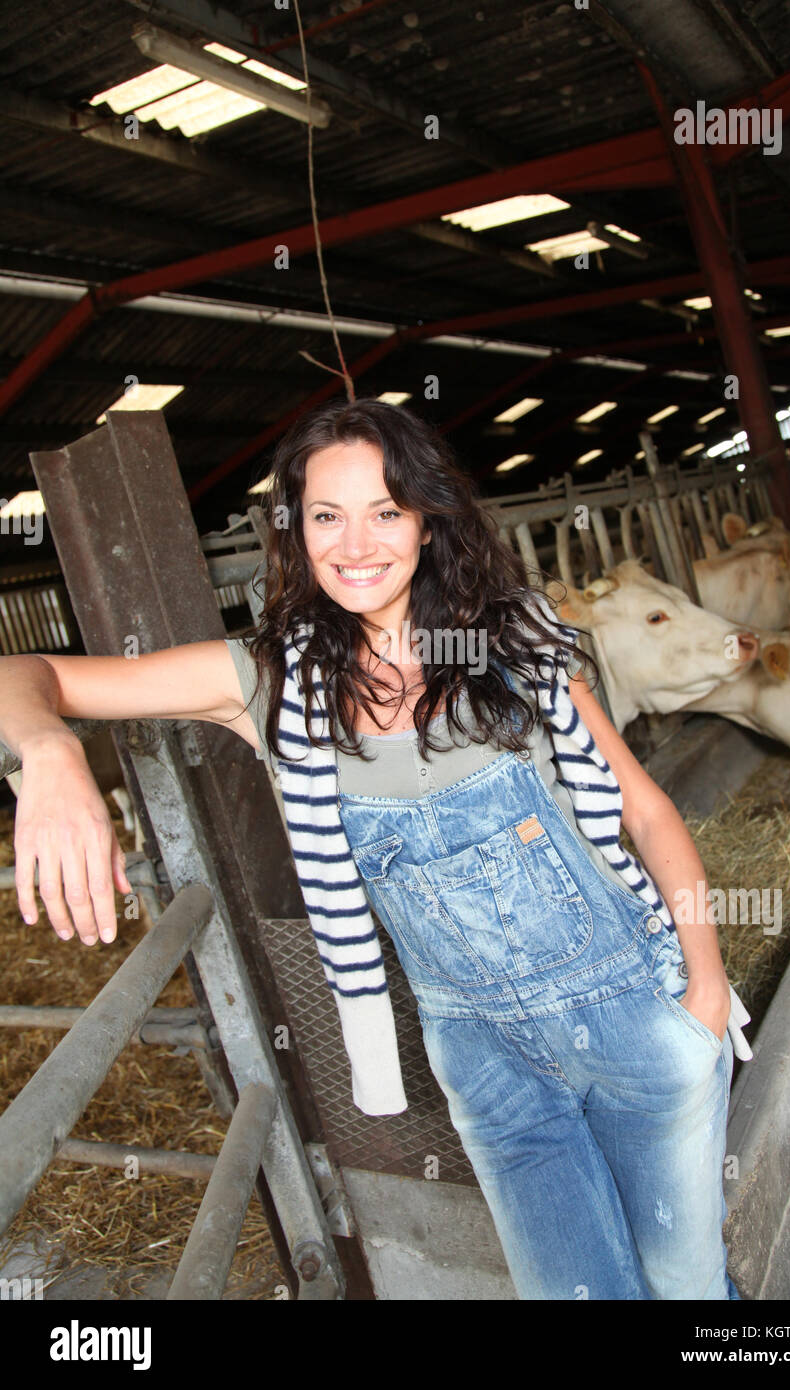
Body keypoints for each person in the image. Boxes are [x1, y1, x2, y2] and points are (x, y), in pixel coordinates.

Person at [0, 398, 742, 1300]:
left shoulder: (514, 647)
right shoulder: (266, 686)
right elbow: (21, 673)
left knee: (692, 1297)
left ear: (427, 522)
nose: (357, 542)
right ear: (296, 533)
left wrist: (703, 986)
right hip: (488, 1068)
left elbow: (650, 812)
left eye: (386, 511)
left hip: (635, 1017)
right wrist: (49, 749)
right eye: (326, 515)